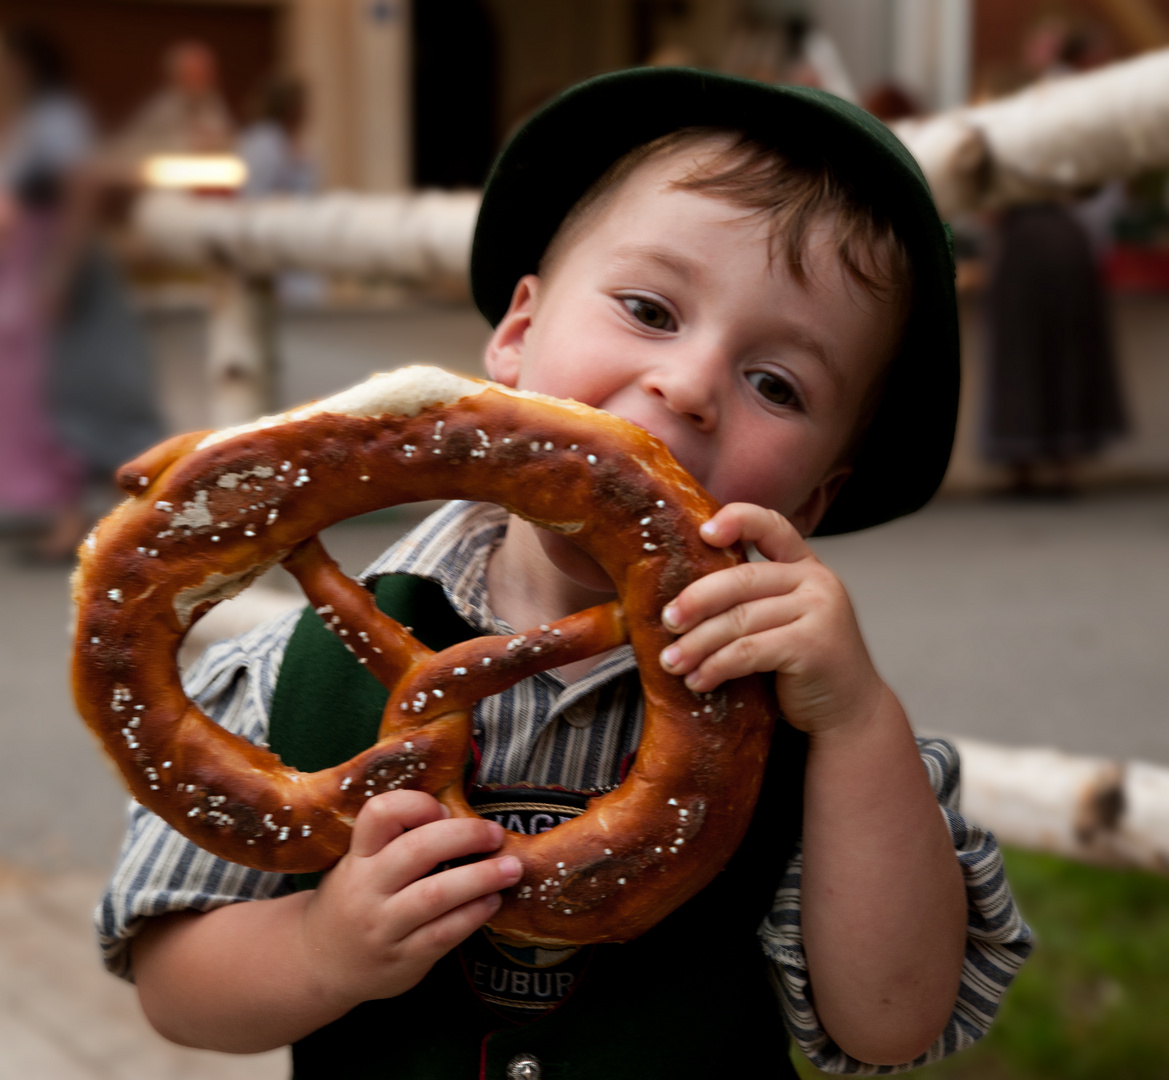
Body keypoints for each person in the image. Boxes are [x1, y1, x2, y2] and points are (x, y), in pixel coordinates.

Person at [97, 70, 1032, 1076]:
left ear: (811, 499)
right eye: (648, 308)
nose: (687, 385)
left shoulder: (817, 732)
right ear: (516, 333)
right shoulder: (294, 676)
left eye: (776, 384)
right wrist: (322, 949)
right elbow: (174, 984)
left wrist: (856, 724)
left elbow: (888, 1020)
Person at [0, 25, 88, 555]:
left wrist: (59, 270)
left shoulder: (55, 121)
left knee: (49, 393)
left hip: (38, 265)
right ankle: (46, 504)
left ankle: (68, 511)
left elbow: (80, 189)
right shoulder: (22, 122)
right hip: (18, 266)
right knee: (21, 396)